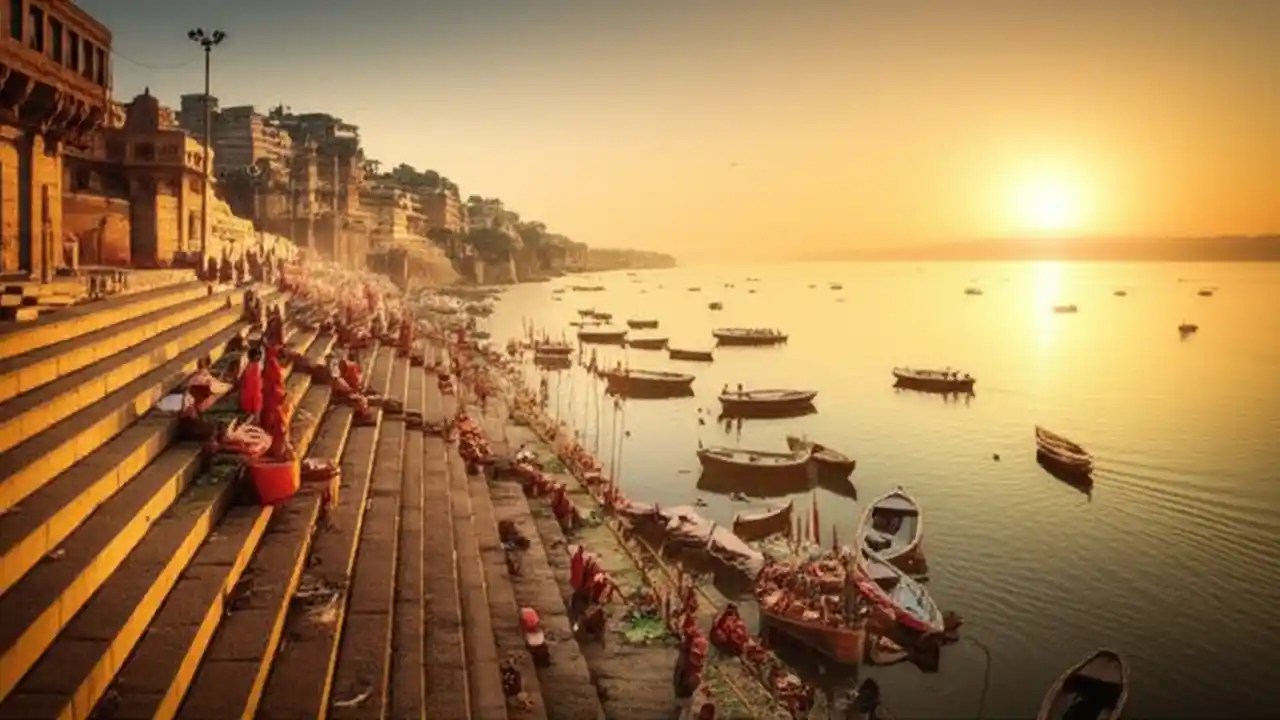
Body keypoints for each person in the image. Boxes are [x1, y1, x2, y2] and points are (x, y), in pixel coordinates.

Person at [240, 345, 264, 418]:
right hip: (253, 396)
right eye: (257, 356)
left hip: (250, 396)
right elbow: (254, 385)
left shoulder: (250, 366)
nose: (258, 358)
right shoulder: (254, 367)